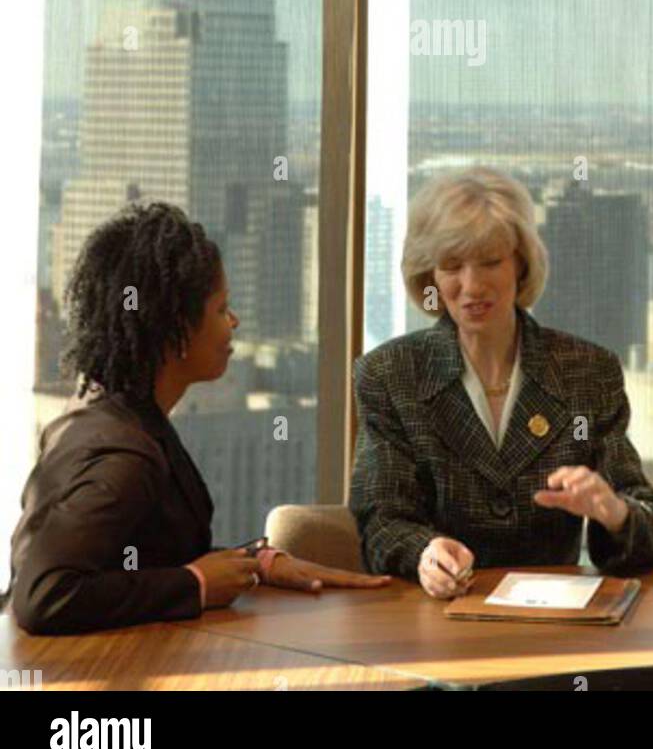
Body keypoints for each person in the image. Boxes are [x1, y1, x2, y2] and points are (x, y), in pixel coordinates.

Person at [4, 202, 389, 634]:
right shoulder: (124, 456)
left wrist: (256, 562)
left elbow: (143, 559)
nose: (235, 321)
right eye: (222, 309)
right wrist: (197, 584)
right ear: (177, 330)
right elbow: (44, 595)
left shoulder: (122, 415)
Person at [350, 167, 653, 598]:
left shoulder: (587, 372)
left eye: (490, 262)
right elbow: (381, 521)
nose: (472, 285)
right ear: (430, 276)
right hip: (434, 623)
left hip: (556, 626)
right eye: (452, 266)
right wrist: (424, 552)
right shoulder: (390, 375)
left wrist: (613, 512)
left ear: (521, 264)